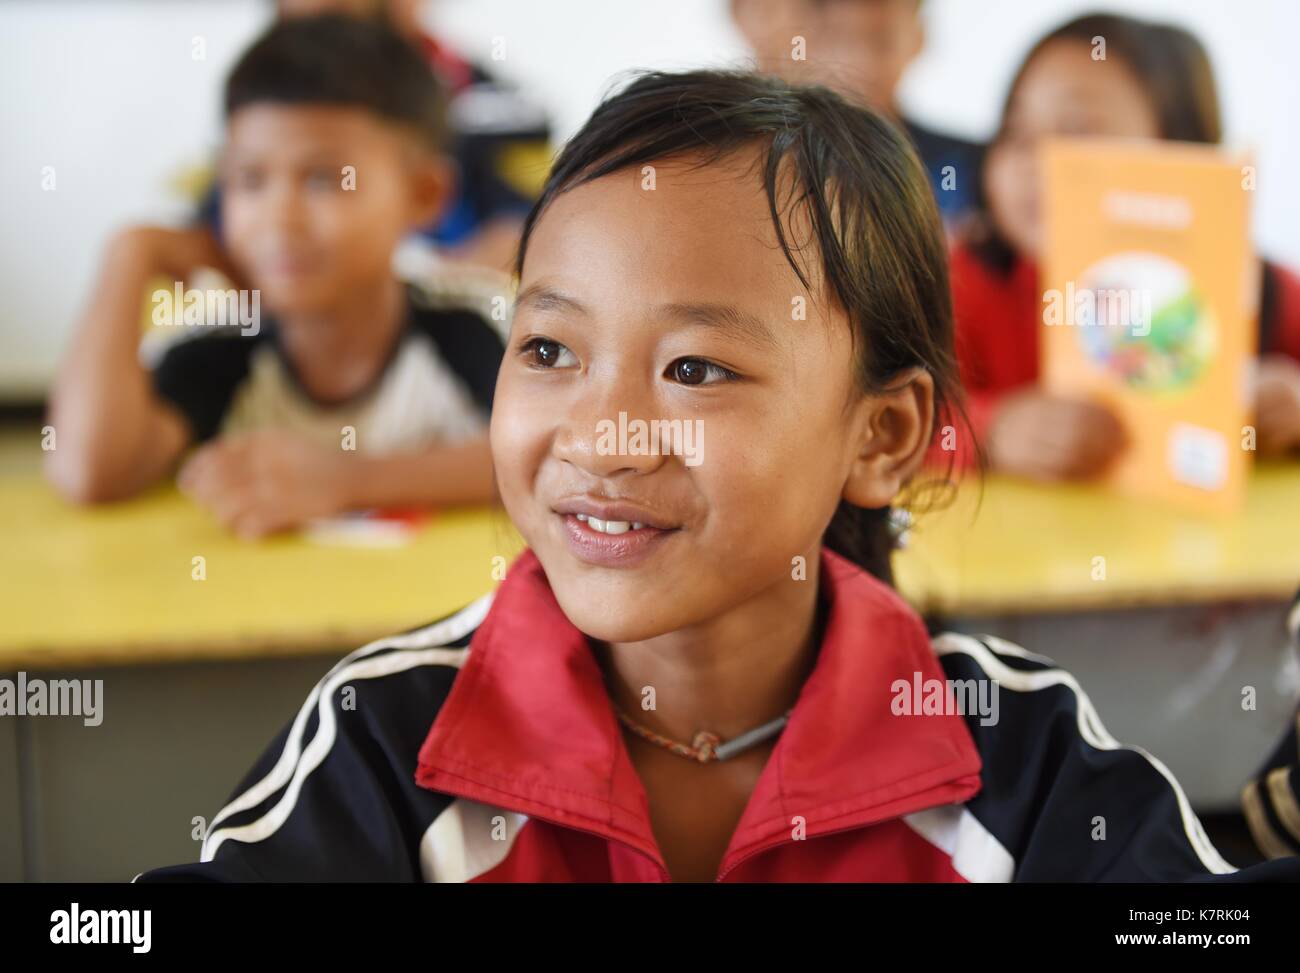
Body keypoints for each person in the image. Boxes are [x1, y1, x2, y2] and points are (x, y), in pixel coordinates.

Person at [135, 70, 1296, 882]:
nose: (603, 433)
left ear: (883, 438)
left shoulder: (1015, 758)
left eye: (694, 367)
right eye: (548, 350)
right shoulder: (388, 742)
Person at [45, 15, 505, 537]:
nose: (278, 218)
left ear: (424, 195)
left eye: (322, 179)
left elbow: (553, 457)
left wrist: (350, 480)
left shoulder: (465, 327)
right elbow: (89, 473)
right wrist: (128, 256)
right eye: (250, 180)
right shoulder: (225, 349)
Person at [951, 13, 1300, 479]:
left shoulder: (1262, 289)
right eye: (1016, 132)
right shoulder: (967, 285)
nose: (1036, 160)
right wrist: (990, 430)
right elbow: (877, 415)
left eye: (1077, 130)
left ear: (1184, 153)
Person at [731, 0, 983, 226]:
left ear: (919, 38)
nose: (860, 59)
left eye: (881, 39)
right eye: (841, 38)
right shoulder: (755, 158)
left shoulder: (968, 165)